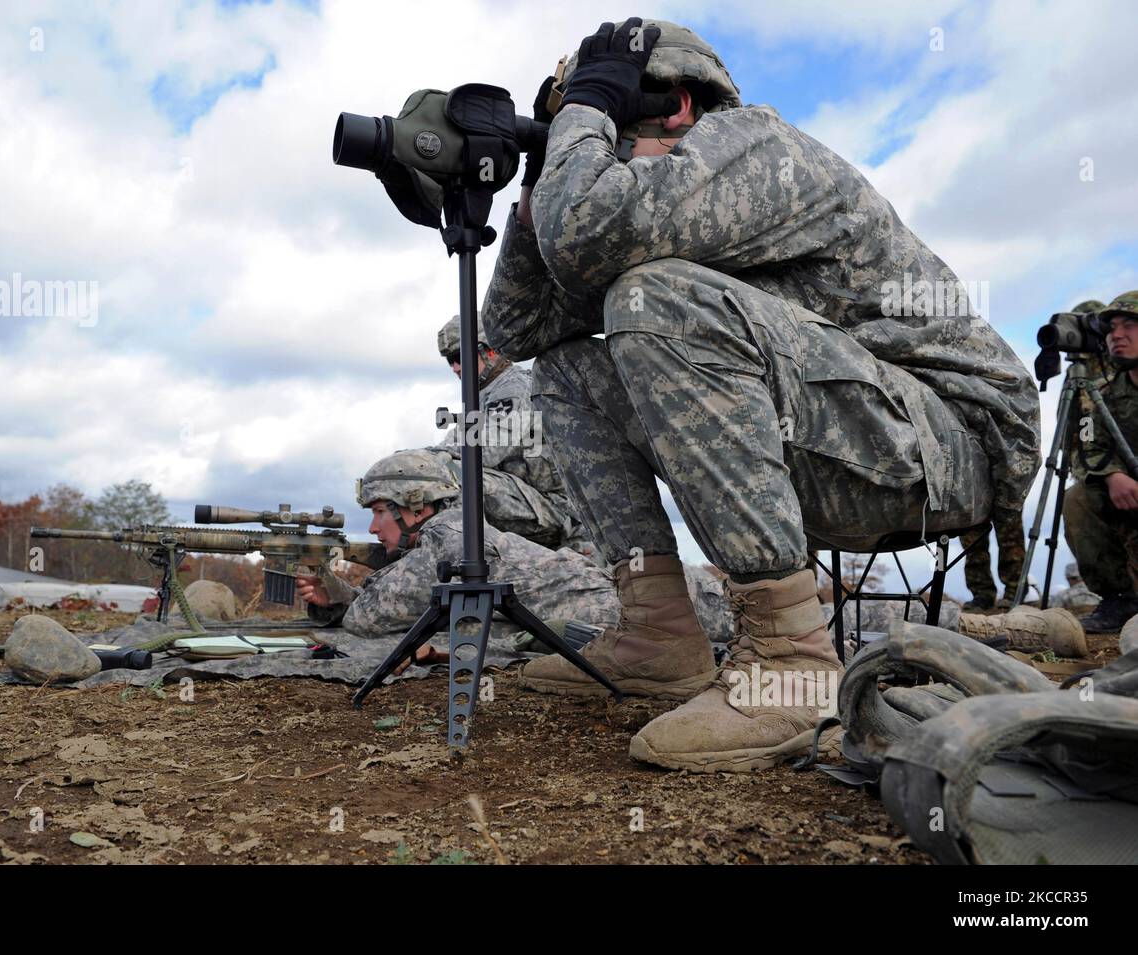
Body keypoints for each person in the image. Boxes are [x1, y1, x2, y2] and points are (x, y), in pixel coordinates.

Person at [482, 18, 1039, 772]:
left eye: (606, 136)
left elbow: (586, 228)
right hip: (853, 436)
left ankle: (790, 663)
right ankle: (657, 633)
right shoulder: (665, 206)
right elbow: (519, 328)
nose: (591, 163)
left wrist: (579, 117)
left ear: (677, 107)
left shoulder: (749, 145)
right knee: (567, 366)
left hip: (946, 443)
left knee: (652, 298)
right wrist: (539, 180)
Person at [294, 448, 622, 648]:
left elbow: (366, 619)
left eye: (380, 512)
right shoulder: (458, 531)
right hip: (605, 613)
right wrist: (338, 596)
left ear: (418, 508)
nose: (373, 528)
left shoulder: (446, 542)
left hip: (607, 626)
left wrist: (347, 598)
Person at [435, 314, 590, 554]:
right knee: (437, 475)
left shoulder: (513, 389)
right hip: (530, 504)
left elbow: (484, 451)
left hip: (556, 510)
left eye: (459, 357)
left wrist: (428, 462)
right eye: (450, 362)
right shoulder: (483, 397)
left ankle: (459, 556)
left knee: (460, 478)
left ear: (492, 351)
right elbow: (452, 446)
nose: (455, 367)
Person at [1064, 291, 1138, 632]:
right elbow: (1090, 446)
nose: (1116, 335)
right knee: (1079, 498)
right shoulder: (1104, 394)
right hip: (1131, 495)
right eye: (1111, 328)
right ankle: (1119, 600)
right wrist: (1112, 476)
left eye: (1130, 326)